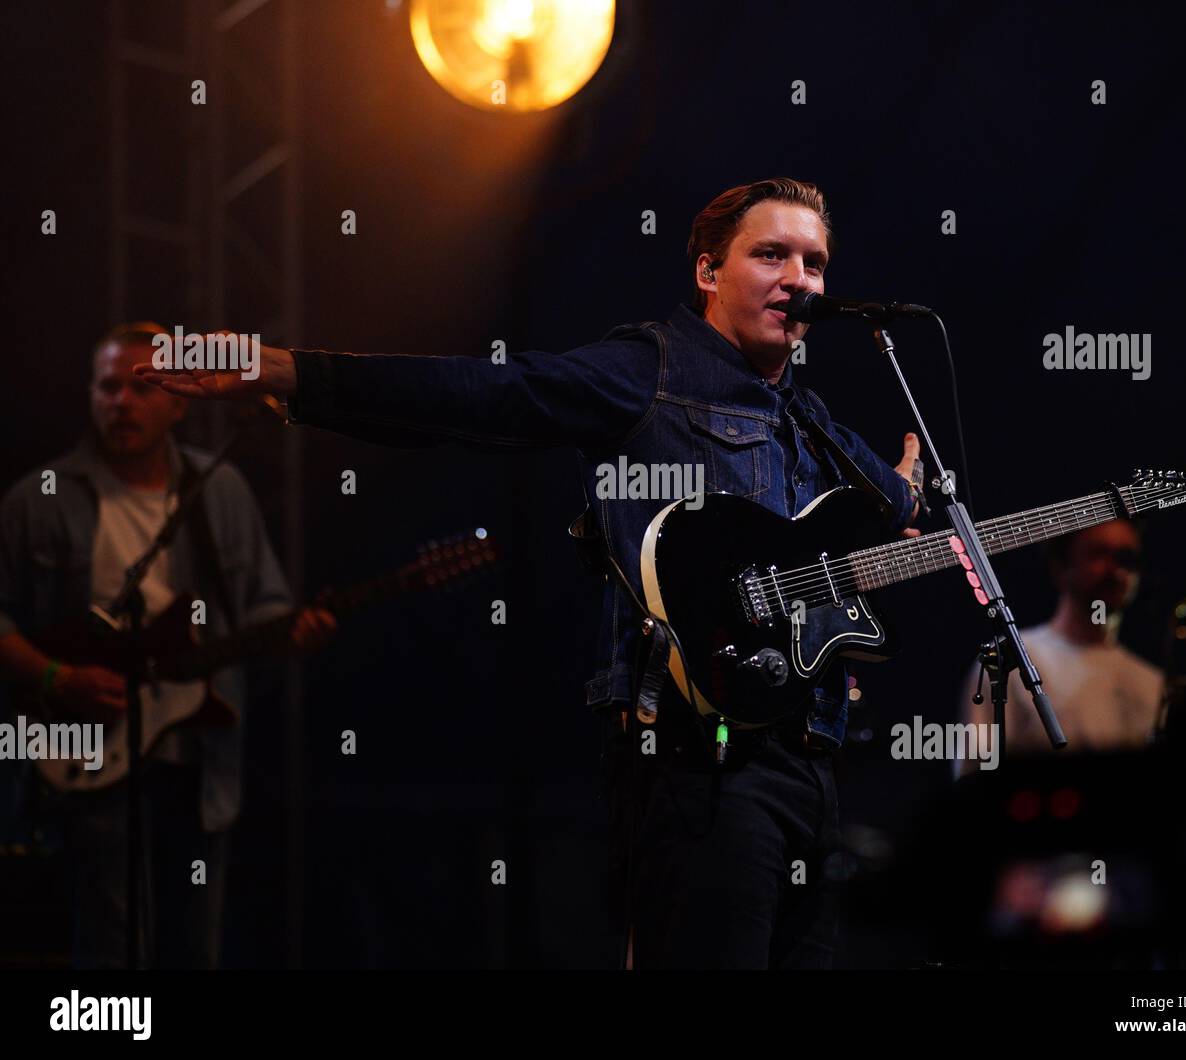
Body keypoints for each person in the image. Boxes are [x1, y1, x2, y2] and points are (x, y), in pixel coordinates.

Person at [136, 178, 924, 969]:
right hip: (700, 765)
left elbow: (894, 512)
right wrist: (289, 373)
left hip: (813, 762)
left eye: (815, 263)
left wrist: (907, 489)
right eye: (772, 254)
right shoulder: (648, 371)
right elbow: (487, 395)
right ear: (709, 272)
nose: (801, 279)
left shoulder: (811, 423)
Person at [0, 322, 335, 968]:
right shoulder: (37, 502)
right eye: (107, 387)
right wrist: (55, 679)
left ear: (180, 400)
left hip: (201, 760)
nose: (121, 402)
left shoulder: (221, 490)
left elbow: (264, 603)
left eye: (141, 387)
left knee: (193, 946)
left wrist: (291, 631)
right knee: (109, 947)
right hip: (91, 759)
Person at [960, 519, 1165, 756]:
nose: (1115, 570)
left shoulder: (1153, 684)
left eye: (1126, 558)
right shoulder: (1008, 660)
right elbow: (974, 770)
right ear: (1061, 566)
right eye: (1098, 554)